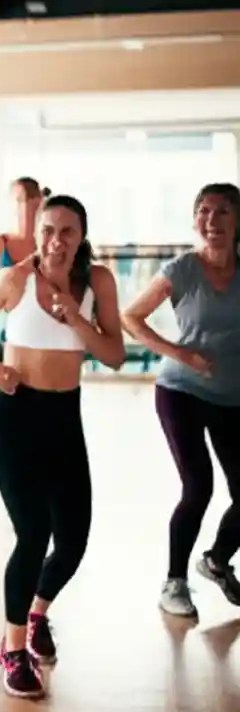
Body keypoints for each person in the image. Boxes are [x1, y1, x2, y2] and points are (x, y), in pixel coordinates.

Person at [0, 195, 124, 699]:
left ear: (81, 237)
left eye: (68, 232)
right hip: (13, 418)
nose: (57, 241)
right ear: (36, 233)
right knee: (33, 534)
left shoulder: (97, 282)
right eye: (49, 230)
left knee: (73, 541)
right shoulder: (14, 279)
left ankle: (35, 614)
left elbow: (115, 354)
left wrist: (77, 320)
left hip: (63, 419)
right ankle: (12, 650)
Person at [121, 182, 240, 617]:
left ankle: (216, 559)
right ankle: (174, 582)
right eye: (204, 212)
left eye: (223, 211)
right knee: (199, 486)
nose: (213, 221)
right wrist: (180, 353)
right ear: (195, 222)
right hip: (181, 390)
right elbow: (130, 317)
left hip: (232, 396)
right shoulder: (183, 269)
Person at [0, 178, 49, 360]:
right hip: (3, 333)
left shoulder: (47, 245)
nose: (22, 207)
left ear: (38, 202)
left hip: (38, 331)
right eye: (17, 200)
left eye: (27, 200)